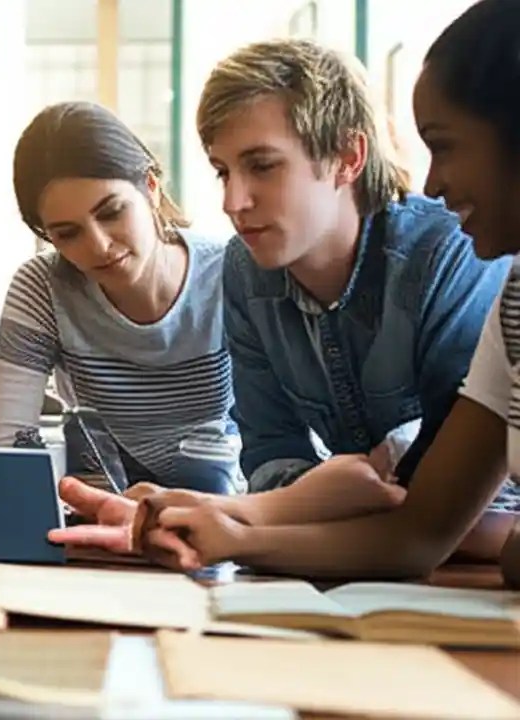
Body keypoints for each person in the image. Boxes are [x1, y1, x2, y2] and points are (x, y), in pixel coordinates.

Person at [62, 2, 520, 585]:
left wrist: (249, 520)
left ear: (348, 159)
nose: (232, 202)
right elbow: (277, 458)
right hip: (396, 561)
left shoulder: (446, 253)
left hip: (453, 563)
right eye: (223, 172)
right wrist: (245, 515)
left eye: (263, 167)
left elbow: (425, 508)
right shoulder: (246, 273)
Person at [0, 101, 239, 494]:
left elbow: (275, 441)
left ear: (151, 188)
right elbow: (6, 445)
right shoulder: (43, 287)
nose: (99, 246)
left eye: (112, 212)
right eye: (67, 233)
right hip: (106, 521)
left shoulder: (232, 275)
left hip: (236, 521)